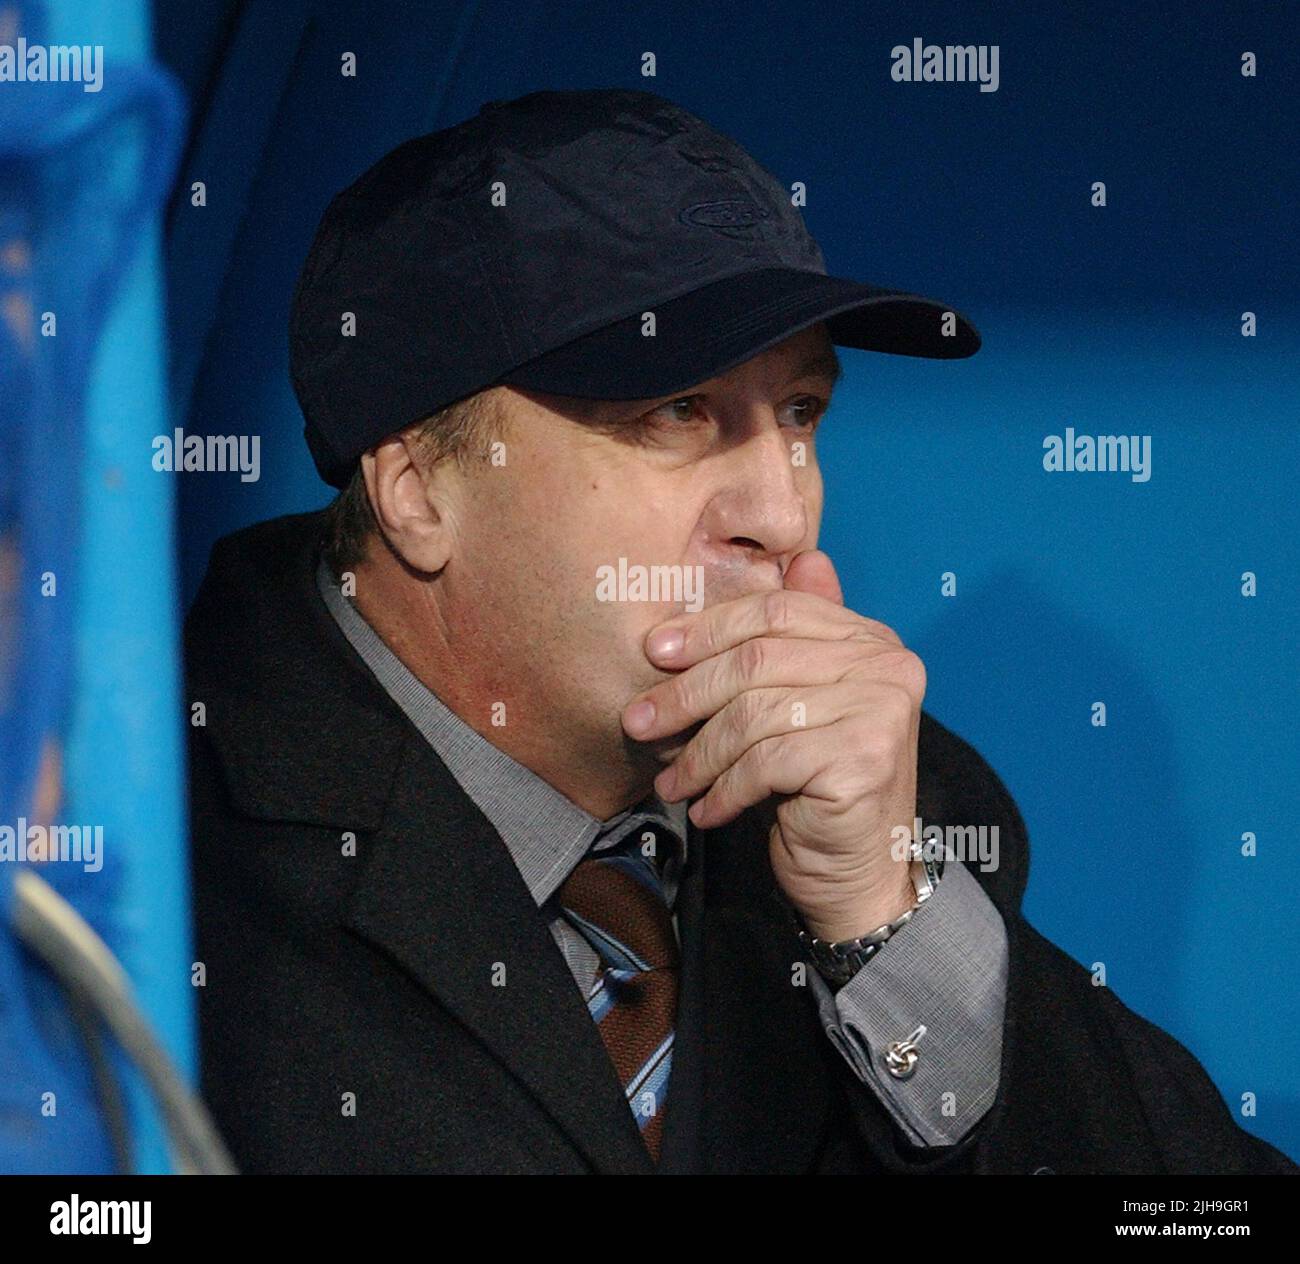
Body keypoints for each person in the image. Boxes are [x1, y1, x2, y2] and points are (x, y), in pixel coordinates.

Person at [185, 88, 1296, 1175]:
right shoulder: (137, 847)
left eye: (801, 411)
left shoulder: (888, 803)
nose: (782, 511)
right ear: (422, 490)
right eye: (677, 408)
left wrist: (883, 923)